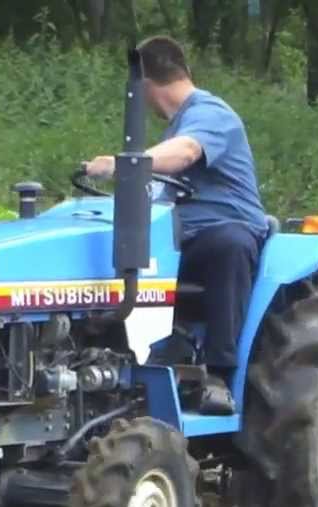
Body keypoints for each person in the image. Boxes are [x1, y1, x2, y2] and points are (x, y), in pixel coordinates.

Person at [83, 35, 267, 416]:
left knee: (228, 243)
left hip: (222, 229)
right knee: (109, 254)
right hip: (182, 237)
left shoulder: (210, 113)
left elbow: (187, 152)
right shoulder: (176, 128)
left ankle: (219, 374)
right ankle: (108, 365)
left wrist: (121, 164)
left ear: (146, 85)